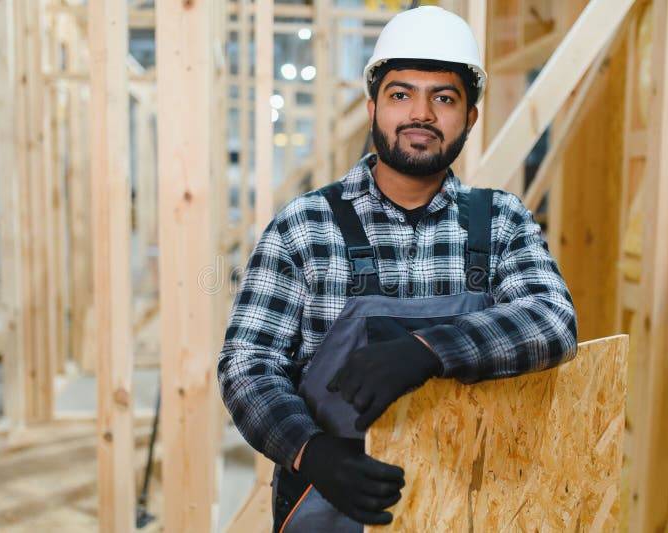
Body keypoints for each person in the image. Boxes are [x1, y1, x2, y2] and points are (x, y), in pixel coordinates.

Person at [218, 6, 578, 532]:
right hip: (331, 503)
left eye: (444, 97)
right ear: (373, 108)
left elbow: (553, 321)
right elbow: (246, 364)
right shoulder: (304, 226)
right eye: (401, 93)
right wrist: (310, 452)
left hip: (468, 510)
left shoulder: (500, 221)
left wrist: (430, 350)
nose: (421, 114)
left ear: (470, 117)